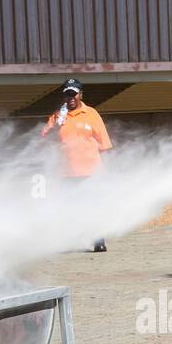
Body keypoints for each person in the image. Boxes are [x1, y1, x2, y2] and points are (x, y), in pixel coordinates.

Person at [41, 77, 113, 252]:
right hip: (66, 173)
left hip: (92, 172)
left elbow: (104, 144)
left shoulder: (92, 114)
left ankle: (98, 240)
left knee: (93, 207)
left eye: (74, 94)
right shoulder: (58, 116)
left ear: (81, 94)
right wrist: (55, 127)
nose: (70, 98)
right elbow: (44, 139)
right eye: (67, 95)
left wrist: (108, 169)